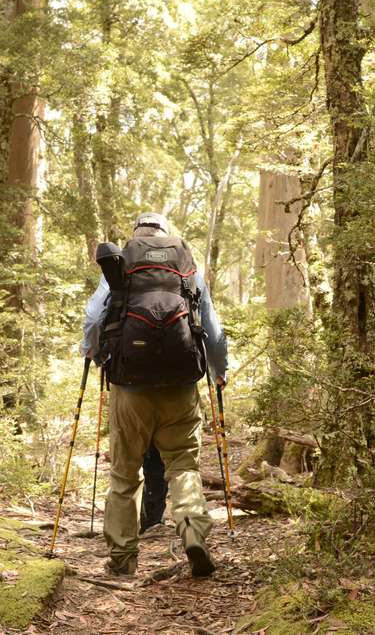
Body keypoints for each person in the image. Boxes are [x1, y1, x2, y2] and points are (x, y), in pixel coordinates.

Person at [82, 212, 228, 578]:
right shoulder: (186, 267)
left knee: (125, 473)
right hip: (180, 386)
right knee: (182, 464)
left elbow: (93, 318)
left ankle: (123, 557)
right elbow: (210, 326)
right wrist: (219, 370)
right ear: (166, 235)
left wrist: (93, 353)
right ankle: (193, 532)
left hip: (130, 388)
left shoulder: (121, 265)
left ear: (137, 235)